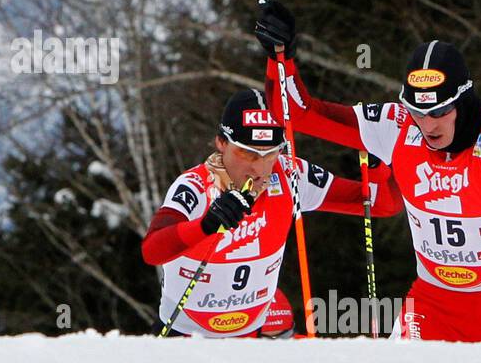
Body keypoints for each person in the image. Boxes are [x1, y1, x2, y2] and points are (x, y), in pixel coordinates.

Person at [255, 0, 481, 343]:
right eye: (417, 110)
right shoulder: (398, 126)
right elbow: (297, 114)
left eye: (438, 111)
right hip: (433, 302)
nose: (427, 123)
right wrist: (280, 57)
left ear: (462, 102)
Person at [141, 89, 401, 338]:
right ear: (221, 142)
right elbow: (152, 250)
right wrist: (205, 225)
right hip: (184, 332)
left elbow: (380, 204)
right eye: (247, 153)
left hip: (251, 336)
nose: (260, 168)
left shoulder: (289, 174)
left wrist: (378, 165)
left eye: (270, 153)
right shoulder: (196, 185)